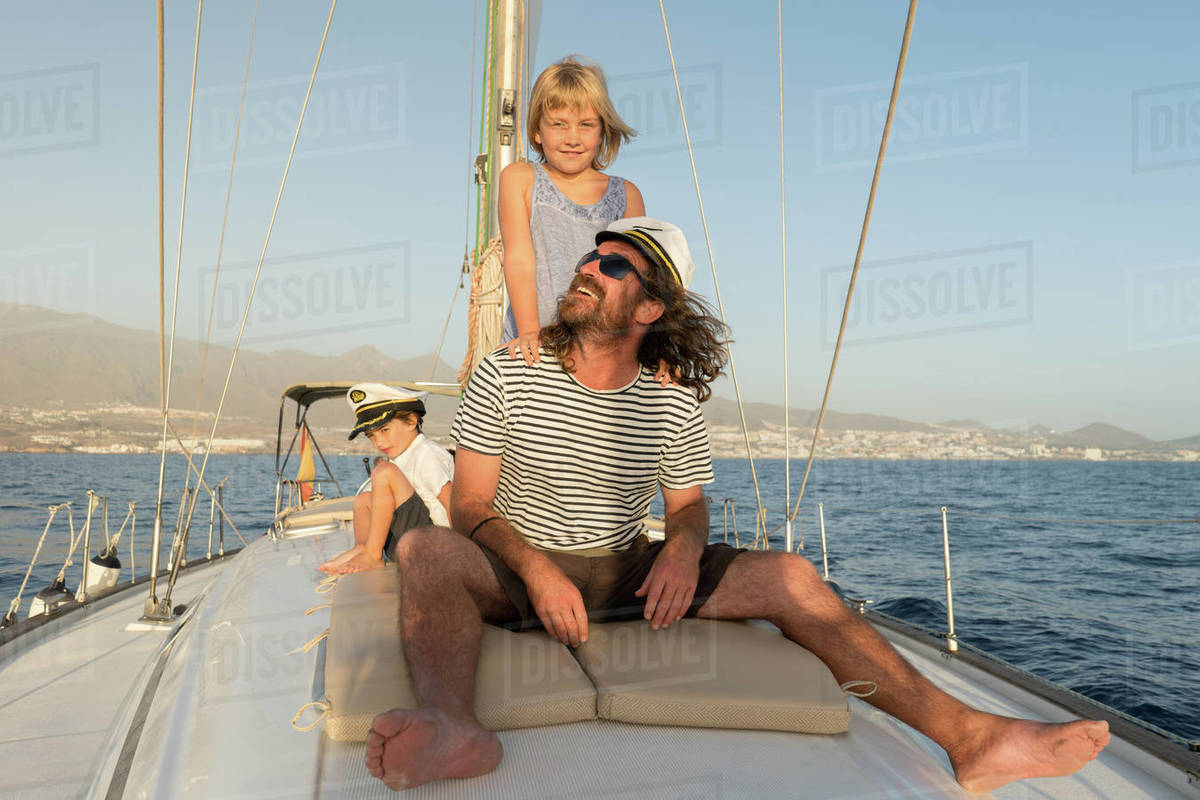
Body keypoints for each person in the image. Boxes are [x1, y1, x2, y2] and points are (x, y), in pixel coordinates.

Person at [365, 219, 1110, 792]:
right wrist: (536, 571)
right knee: (423, 550)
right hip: (516, 565)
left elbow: (687, 506)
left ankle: (970, 737)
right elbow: (468, 506)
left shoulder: (670, 397)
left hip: (624, 568)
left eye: (613, 264)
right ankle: (451, 726)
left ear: (650, 305)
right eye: (590, 258)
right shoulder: (507, 371)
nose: (588, 268)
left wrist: (685, 549)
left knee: (788, 577)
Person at [498, 55, 644, 365]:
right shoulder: (520, 179)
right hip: (532, 344)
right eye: (559, 124)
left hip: (598, 352)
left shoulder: (626, 195)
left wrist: (647, 351)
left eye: (586, 125)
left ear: (602, 131)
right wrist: (529, 332)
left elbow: (637, 281)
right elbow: (520, 258)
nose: (573, 138)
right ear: (538, 130)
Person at [317, 383, 453, 574]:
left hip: (437, 547)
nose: (378, 442)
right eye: (370, 436)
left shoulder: (427, 454)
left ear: (412, 421)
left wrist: (463, 555)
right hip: (409, 544)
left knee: (383, 471)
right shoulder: (402, 457)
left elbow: (451, 502)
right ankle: (362, 548)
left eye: (384, 430)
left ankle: (373, 556)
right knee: (364, 499)